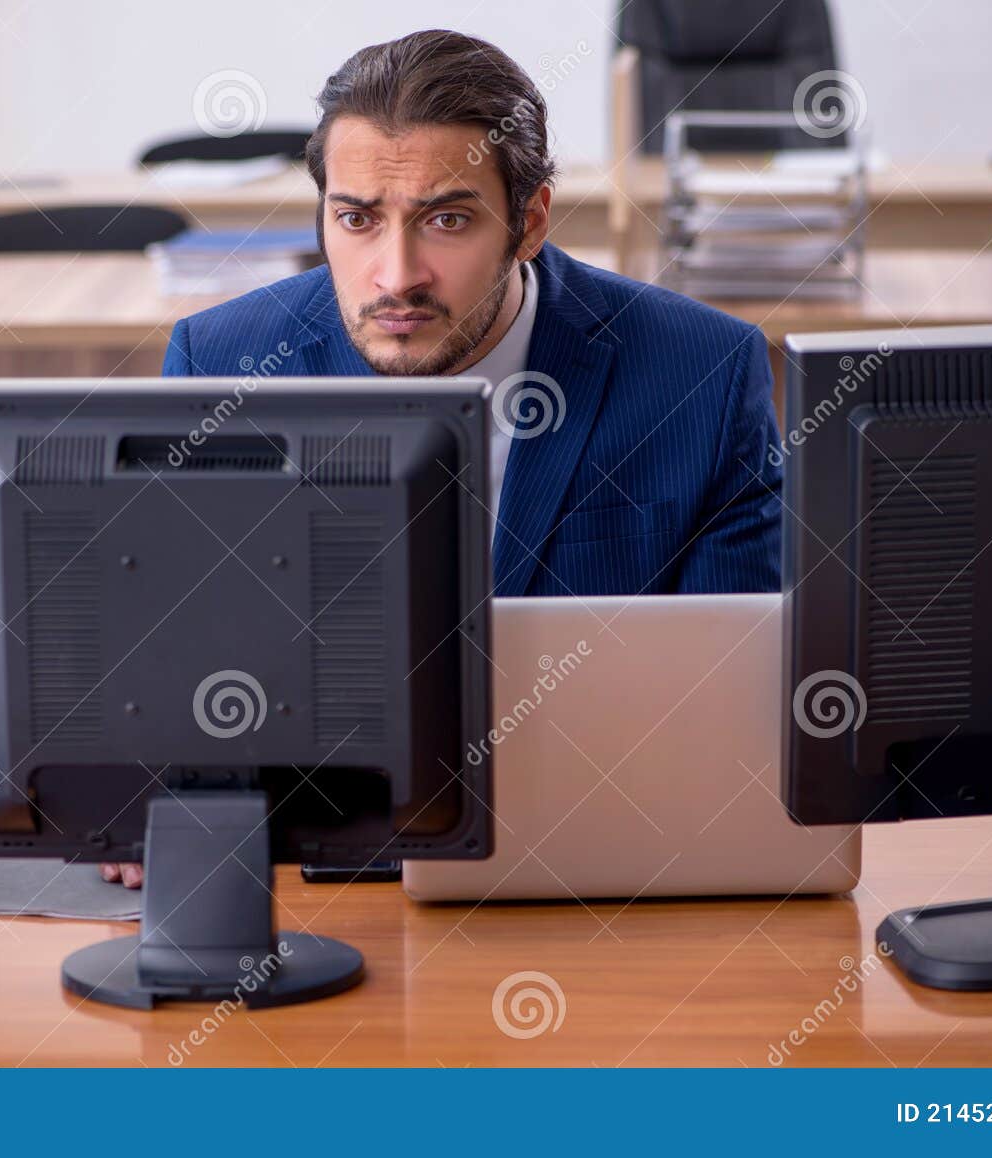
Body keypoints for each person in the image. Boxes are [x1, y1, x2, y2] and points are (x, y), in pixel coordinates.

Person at [105, 28, 782, 889]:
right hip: (306, 874)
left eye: (447, 219)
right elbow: (170, 657)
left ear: (529, 221)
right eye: (356, 219)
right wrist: (160, 792)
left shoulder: (699, 375)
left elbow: (737, 718)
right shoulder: (225, 361)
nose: (395, 276)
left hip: (599, 864)